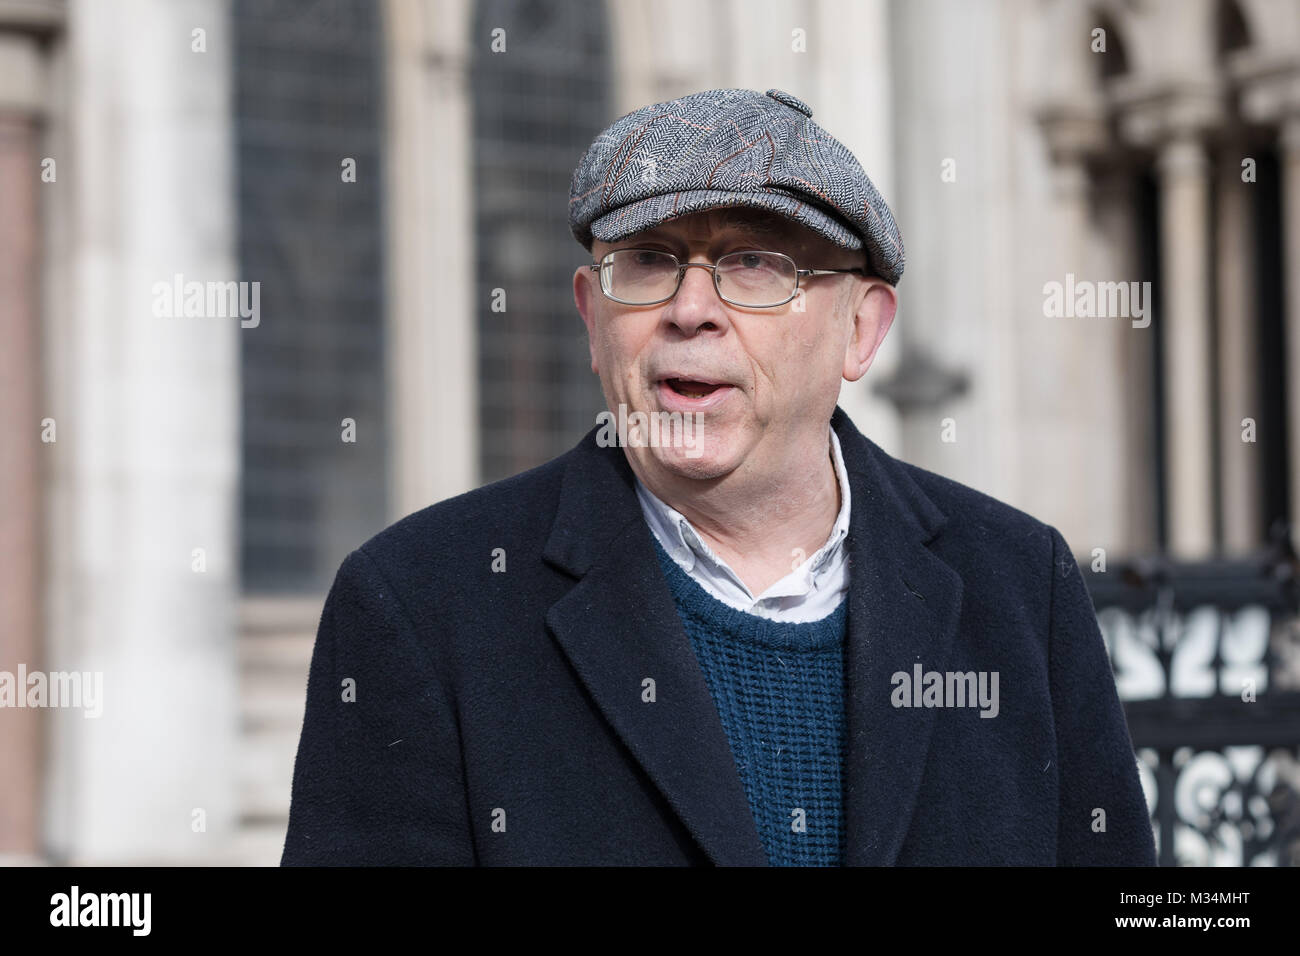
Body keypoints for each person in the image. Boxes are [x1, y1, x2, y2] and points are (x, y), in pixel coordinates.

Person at [281, 87, 1156, 866]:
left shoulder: (1017, 585)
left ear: (862, 329)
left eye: (756, 265)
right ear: (593, 318)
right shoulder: (421, 603)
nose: (690, 309)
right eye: (650, 262)